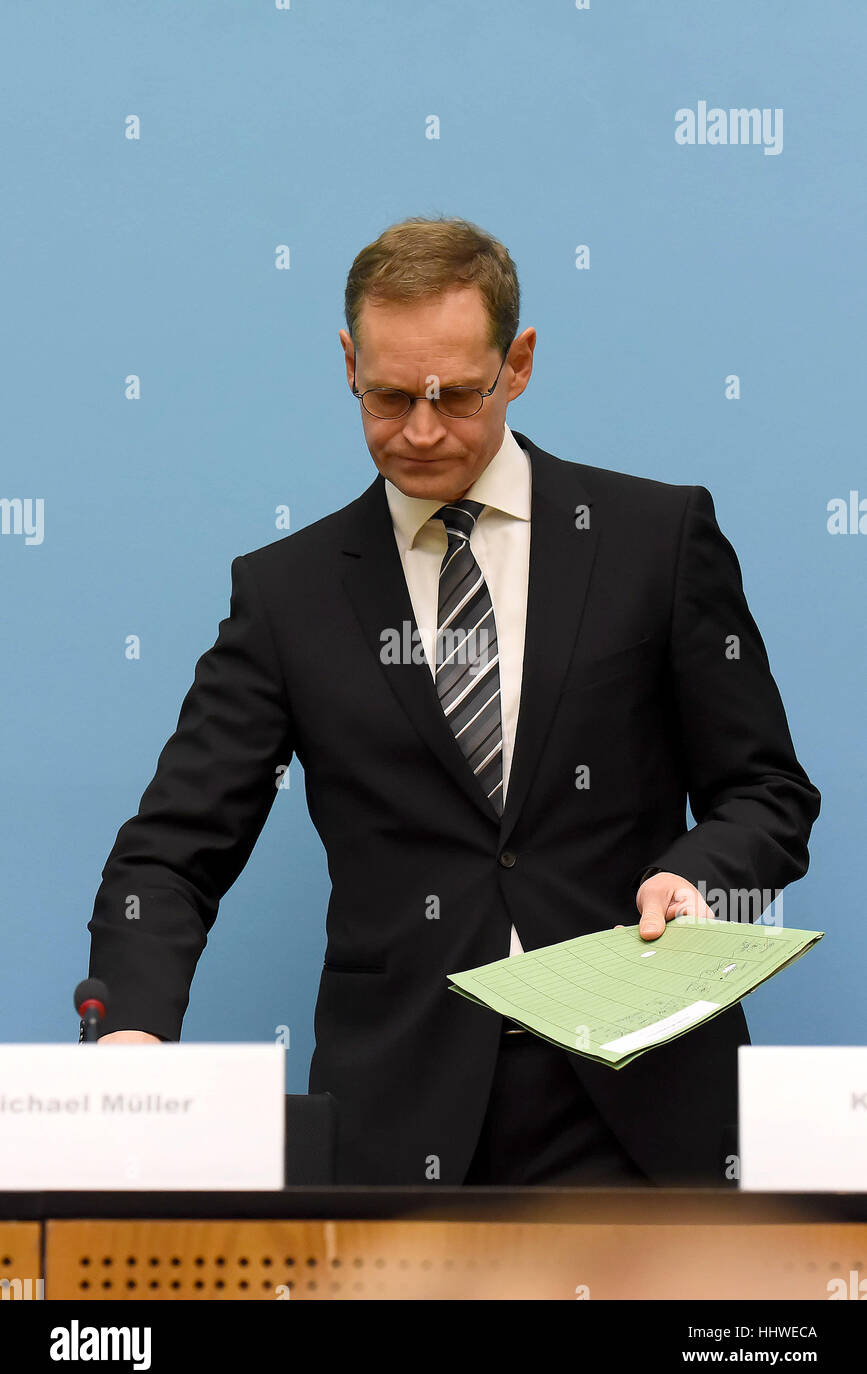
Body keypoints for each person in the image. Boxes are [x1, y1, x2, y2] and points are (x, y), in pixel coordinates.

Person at [85, 215, 820, 1186]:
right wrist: (132, 1031)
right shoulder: (288, 595)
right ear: (347, 362)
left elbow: (766, 795)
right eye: (388, 396)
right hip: (397, 1118)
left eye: (455, 395)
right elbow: (172, 853)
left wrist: (697, 879)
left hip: (645, 1105)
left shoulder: (658, 538)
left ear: (518, 364)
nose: (421, 430)